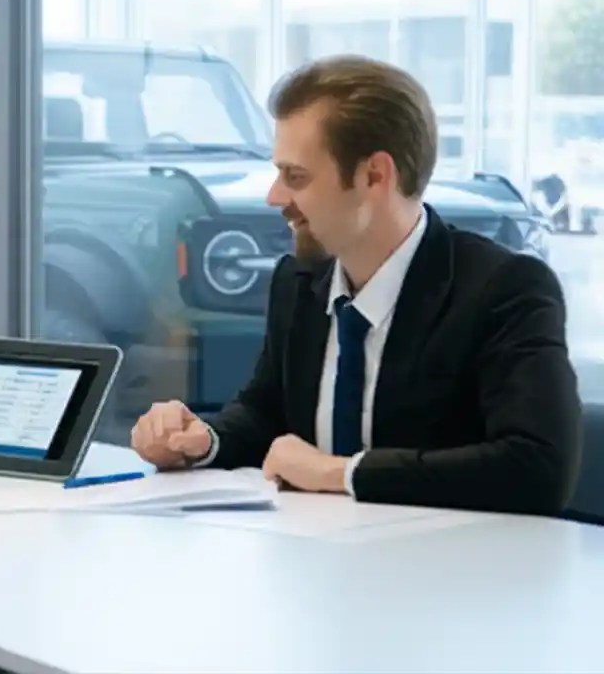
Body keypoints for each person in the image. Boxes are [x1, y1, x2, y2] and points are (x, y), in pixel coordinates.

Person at [132, 55, 581, 515]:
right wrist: (201, 441)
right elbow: (267, 414)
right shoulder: (299, 281)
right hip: (316, 559)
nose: (274, 197)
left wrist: (339, 473)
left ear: (374, 175)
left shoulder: (503, 290)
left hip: (447, 570)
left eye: (296, 177)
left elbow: (537, 469)